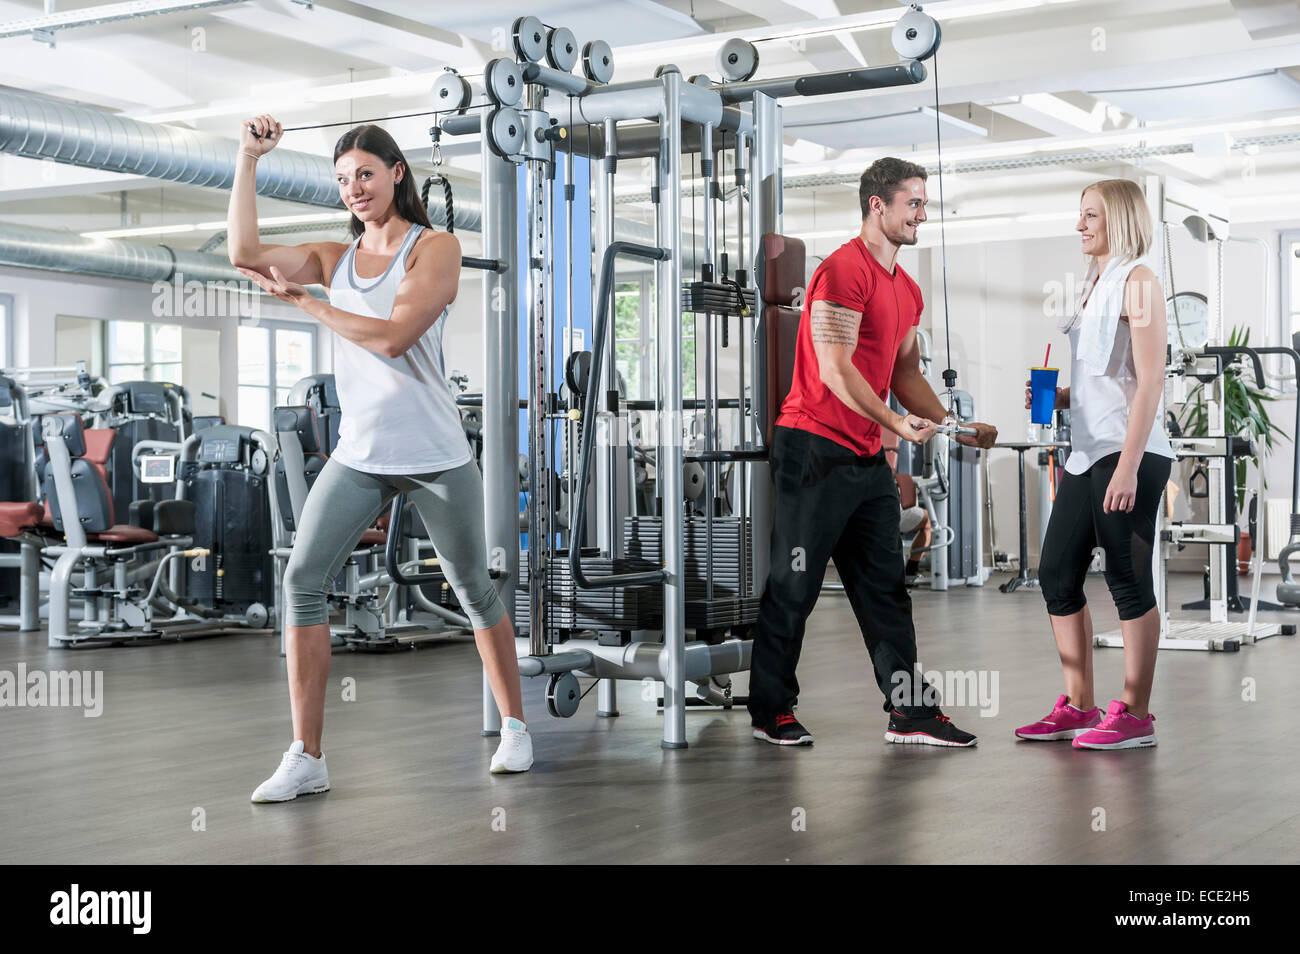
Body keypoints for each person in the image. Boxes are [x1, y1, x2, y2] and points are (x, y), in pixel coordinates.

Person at [229, 116, 532, 801]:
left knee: (472, 588)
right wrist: (248, 157)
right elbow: (243, 252)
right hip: (360, 453)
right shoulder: (332, 257)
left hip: (433, 453)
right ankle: (306, 756)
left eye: (365, 173)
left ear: (397, 172)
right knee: (303, 579)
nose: (354, 189)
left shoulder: (437, 248)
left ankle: (515, 727)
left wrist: (308, 304)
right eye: (342, 180)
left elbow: (394, 337)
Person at [748, 157, 998, 748]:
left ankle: (910, 711)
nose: (922, 214)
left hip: (863, 457)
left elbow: (904, 372)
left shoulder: (906, 289)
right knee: (795, 583)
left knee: (886, 589)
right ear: (876, 205)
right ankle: (770, 710)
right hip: (812, 448)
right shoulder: (842, 270)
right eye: (913, 203)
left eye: (924, 204)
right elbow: (835, 369)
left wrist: (954, 425)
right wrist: (895, 424)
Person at [1014, 178, 1175, 750]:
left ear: (1120, 220)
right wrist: (1058, 397)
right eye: (1079, 215)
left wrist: (1129, 466)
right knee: (1057, 573)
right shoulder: (1093, 285)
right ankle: (1080, 706)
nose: (1079, 225)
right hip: (1086, 453)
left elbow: (1151, 380)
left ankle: (1136, 714)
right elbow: (1105, 377)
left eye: (1091, 216)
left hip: (1129, 452)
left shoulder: (1139, 281)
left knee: (1126, 578)